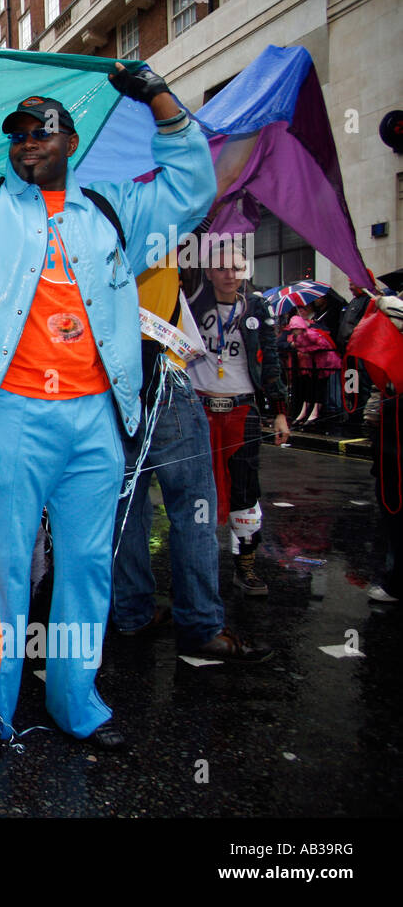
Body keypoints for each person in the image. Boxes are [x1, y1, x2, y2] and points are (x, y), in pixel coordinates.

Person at [0, 56, 214, 750]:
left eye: (42, 130)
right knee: (2, 565)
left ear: (70, 143)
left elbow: (191, 188)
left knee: (88, 567)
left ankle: (76, 701)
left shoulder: (116, 210)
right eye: (18, 133)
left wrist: (158, 99)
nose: (27, 140)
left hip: (96, 420)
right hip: (14, 417)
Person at [111, 255, 274, 662]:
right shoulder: (157, 214)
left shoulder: (81, 222)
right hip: (163, 376)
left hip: (110, 377)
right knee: (194, 508)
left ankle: (132, 612)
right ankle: (201, 624)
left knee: (127, 506)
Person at [187, 243, 289, 595]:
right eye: (221, 268)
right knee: (197, 489)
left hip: (243, 408)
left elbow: (271, 358)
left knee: (245, 490)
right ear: (208, 271)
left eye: (236, 267)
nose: (229, 275)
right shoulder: (191, 302)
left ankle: (245, 568)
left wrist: (279, 411)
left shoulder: (257, 307)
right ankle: (197, 570)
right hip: (198, 409)